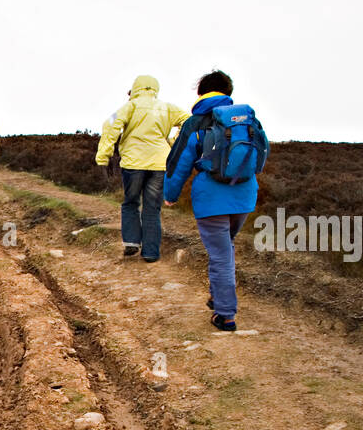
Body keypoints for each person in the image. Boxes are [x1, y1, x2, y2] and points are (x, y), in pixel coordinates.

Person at [164, 70, 265, 332]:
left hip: (211, 200)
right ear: (227, 93)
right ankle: (218, 296)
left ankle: (225, 315)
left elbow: (179, 164)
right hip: (244, 197)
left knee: (220, 255)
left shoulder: (195, 123)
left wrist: (170, 196)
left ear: (201, 93)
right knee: (225, 248)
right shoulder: (245, 121)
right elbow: (260, 158)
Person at [95, 75, 189, 262]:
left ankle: (131, 242)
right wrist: (172, 143)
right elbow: (188, 121)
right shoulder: (167, 107)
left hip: (133, 163)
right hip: (159, 164)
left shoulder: (129, 106)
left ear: (135, 89)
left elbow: (109, 124)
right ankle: (151, 253)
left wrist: (103, 156)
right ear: (155, 88)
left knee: (131, 202)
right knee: (152, 208)